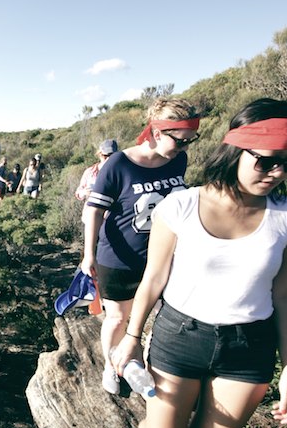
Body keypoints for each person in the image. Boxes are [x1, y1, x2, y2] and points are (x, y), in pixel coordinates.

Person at [111, 98, 287, 428]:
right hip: (182, 337)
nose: (277, 173)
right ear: (236, 149)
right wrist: (131, 337)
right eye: (266, 161)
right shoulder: (180, 206)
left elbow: (285, 295)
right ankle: (156, 424)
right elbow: (153, 280)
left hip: (248, 348)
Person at [81, 98, 200, 397]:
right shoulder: (118, 164)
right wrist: (89, 254)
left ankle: (147, 366)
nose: (184, 149)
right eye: (180, 141)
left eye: (189, 142)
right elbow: (94, 210)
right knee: (118, 318)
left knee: (161, 318)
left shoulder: (178, 160)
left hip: (164, 259)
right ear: (158, 133)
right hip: (120, 259)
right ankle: (112, 366)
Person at [75, 139, 118, 222]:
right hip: (91, 217)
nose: (108, 159)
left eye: (112, 156)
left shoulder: (121, 172)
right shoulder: (89, 172)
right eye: (106, 156)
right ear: (100, 154)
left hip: (113, 218)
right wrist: (84, 192)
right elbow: (78, 192)